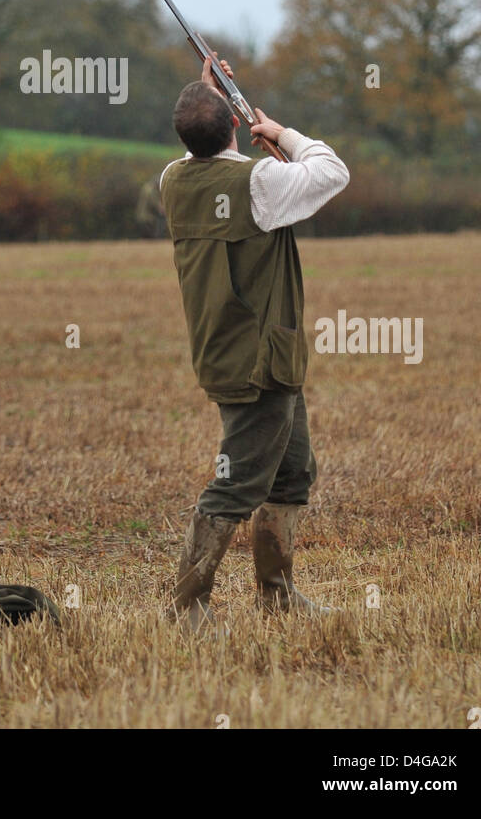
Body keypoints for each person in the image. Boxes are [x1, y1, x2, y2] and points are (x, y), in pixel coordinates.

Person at [160, 55, 349, 628]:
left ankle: (277, 594)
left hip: (251, 351)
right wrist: (282, 133)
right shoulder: (259, 182)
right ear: (236, 127)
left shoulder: (173, 180)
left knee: (293, 474)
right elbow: (332, 170)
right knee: (235, 483)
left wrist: (209, 93)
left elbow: (204, 147)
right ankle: (185, 607)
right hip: (258, 359)